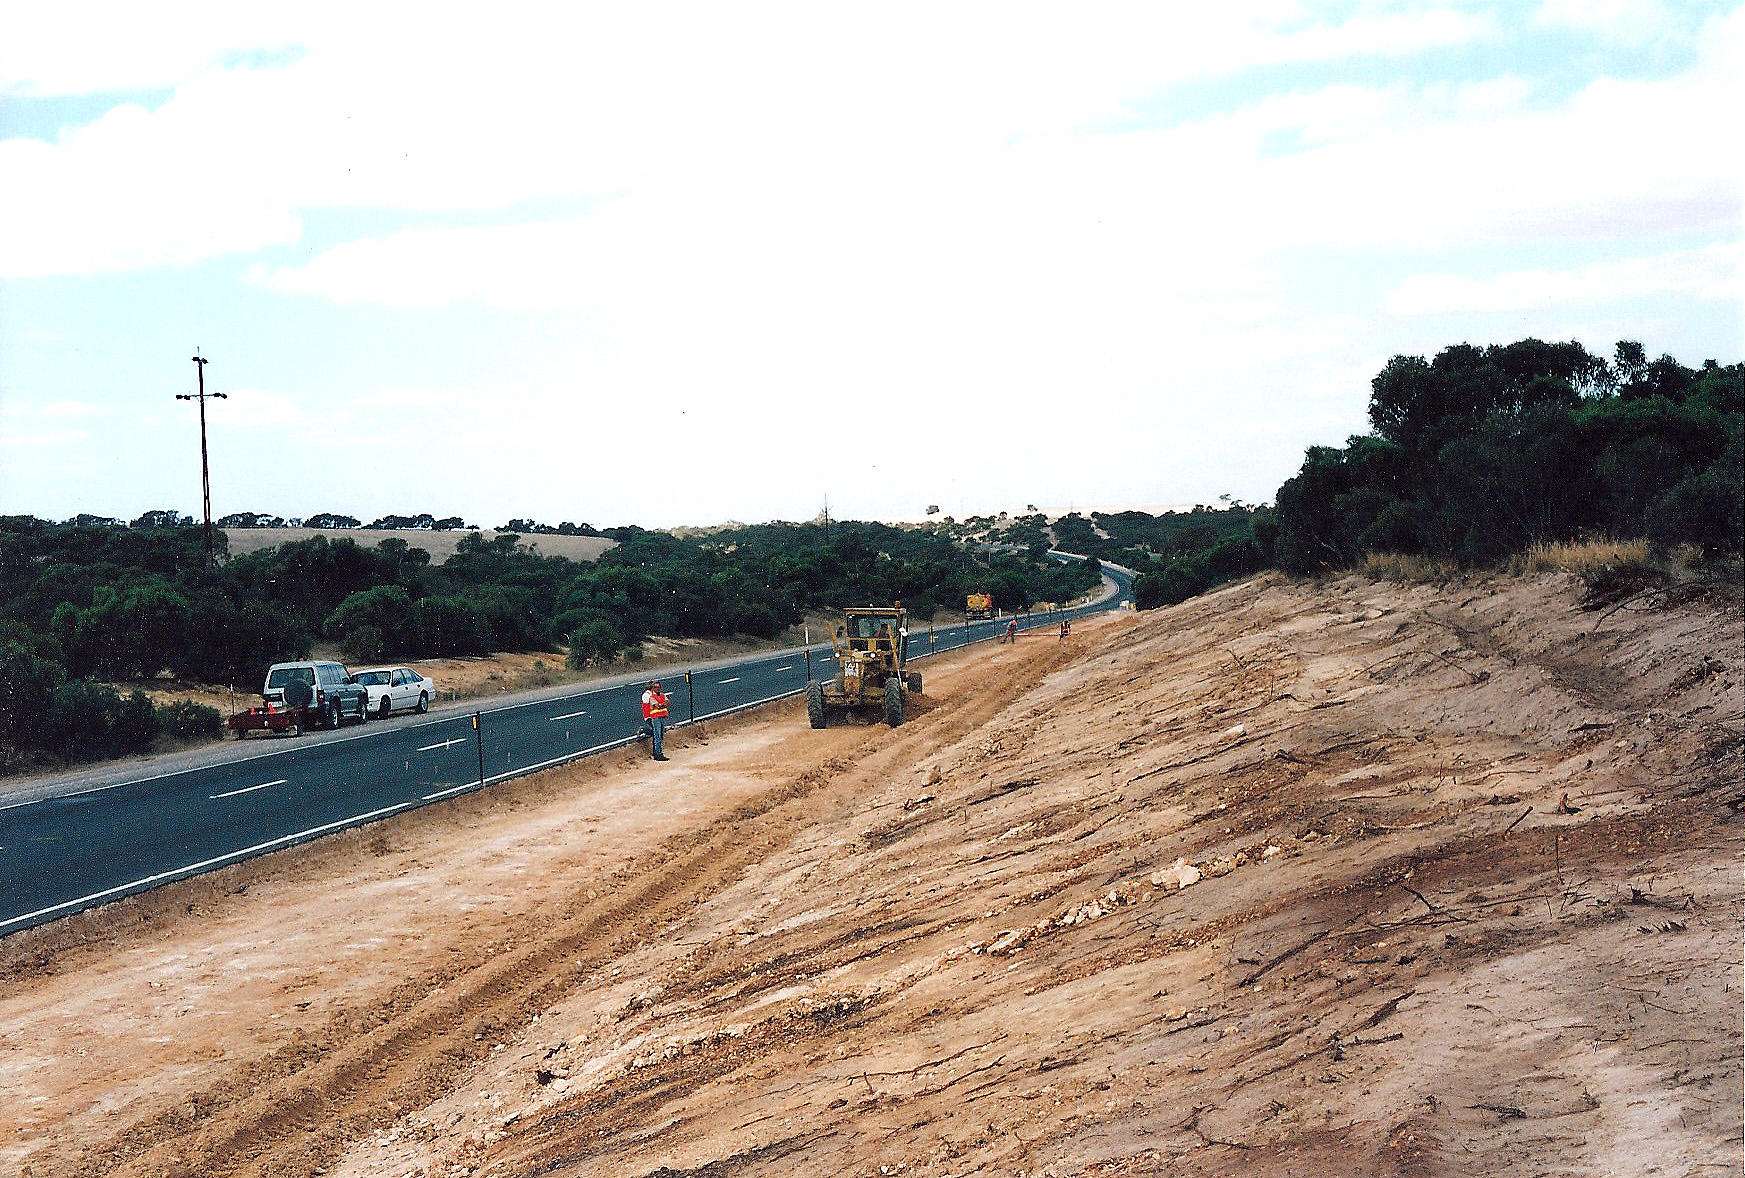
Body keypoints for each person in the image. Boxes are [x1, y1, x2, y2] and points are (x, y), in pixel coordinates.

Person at [641, 680, 670, 761]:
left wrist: (661, 704)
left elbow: (666, 703)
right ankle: (657, 753)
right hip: (651, 716)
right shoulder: (647, 695)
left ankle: (656, 751)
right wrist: (661, 704)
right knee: (656, 733)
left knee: (658, 733)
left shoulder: (659, 695)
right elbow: (655, 705)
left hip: (659, 716)